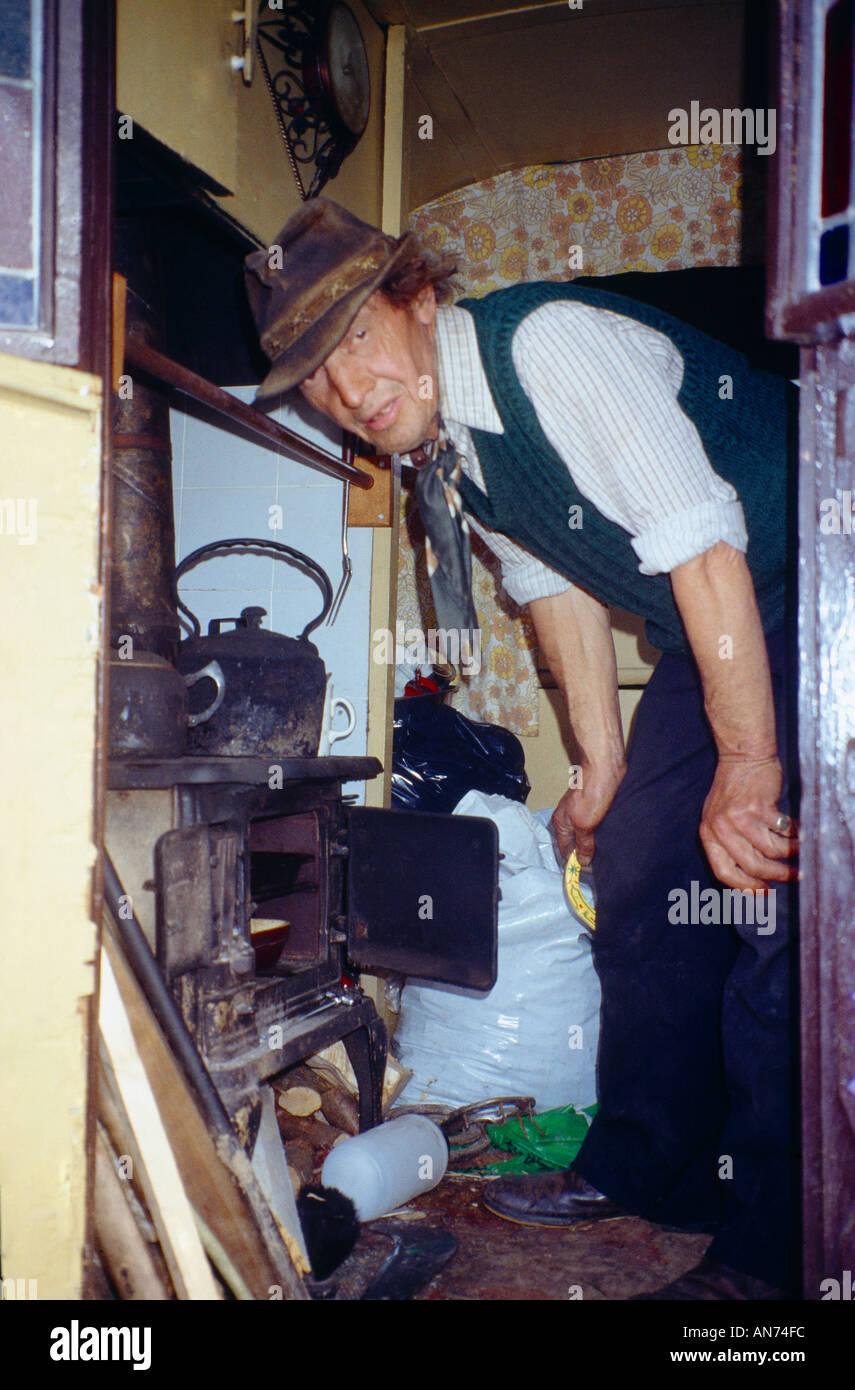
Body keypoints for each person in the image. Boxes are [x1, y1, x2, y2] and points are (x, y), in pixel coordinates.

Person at [244, 199, 801, 1300]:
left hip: (809, 580)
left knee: (774, 895)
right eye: (315, 371)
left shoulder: (544, 350)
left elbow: (701, 545)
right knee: (640, 866)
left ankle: (776, 1252)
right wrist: (600, 768)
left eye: (355, 334)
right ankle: (653, 1168)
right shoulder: (449, 447)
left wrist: (747, 762)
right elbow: (556, 588)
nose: (348, 390)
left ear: (417, 296)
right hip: (719, 619)